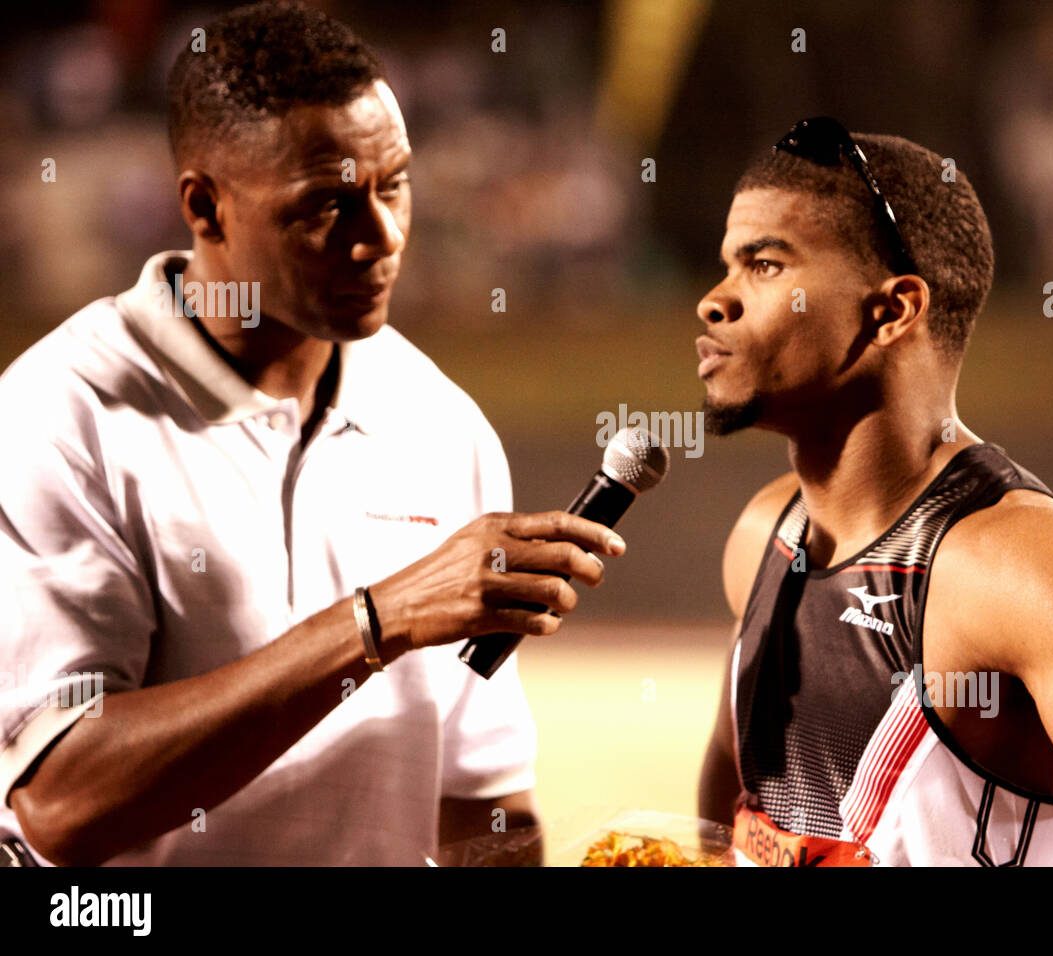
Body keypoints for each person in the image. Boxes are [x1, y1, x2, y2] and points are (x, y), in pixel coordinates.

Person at [0, 1, 623, 867]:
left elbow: (480, 802)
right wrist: (375, 624)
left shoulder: (443, 426)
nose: (383, 236)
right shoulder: (62, 415)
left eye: (394, 183)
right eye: (325, 206)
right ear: (205, 206)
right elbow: (60, 801)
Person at [695, 117, 1053, 866]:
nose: (715, 300)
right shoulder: (763, 536)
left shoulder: (1009, 560)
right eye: (726, 266)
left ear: (894, 310)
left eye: (765, 265)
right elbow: (735, 814)